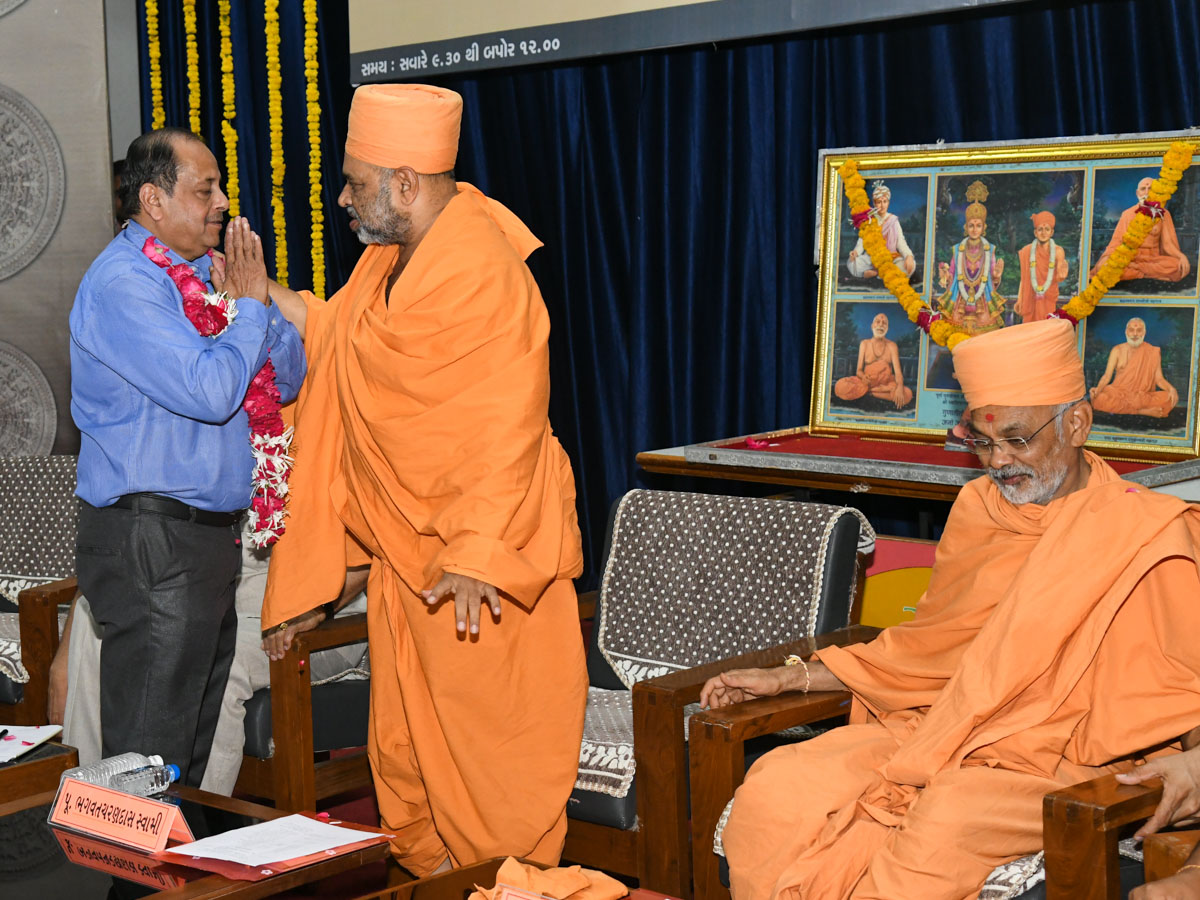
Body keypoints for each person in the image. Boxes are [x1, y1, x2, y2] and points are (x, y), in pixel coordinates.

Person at [700, 318, 1200, 900]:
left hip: (1060, 762)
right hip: (941, 727)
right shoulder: (979, 507)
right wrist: (789, 677)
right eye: (982, 442)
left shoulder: (1151, 535)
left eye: (1017, 438)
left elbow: (1185, 689)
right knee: (779, 787)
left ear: (1077, 424)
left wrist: (1195, 767)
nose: (998, 461)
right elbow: (927, 649)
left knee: (946, 818)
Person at [260, 84, 587, 876]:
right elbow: (342, 337)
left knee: (489, 764)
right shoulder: (385, 262)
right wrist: (267, 297)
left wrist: (476, 548)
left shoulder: (485, 271)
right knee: (406, 757)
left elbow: (508, 421)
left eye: (354, 181)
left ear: (406, 182)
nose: (342, 197)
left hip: (481, 571)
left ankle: (513, 887)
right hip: (411, 565)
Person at [68, 127, 306, 787]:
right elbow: (211, 391)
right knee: (144, 756)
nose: (223, 202)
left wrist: (249, 310)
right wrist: (251, 313)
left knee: (186, 753)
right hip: (151, 539)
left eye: (221, 188)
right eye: (206, 190)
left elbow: (285, 376)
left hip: (205, 544)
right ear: (152, 199)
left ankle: (174, 885)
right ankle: (128, 887)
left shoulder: (209, 277)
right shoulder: (124, 284)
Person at [50, 518, 369, 795]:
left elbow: (372, 543)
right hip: (214, 594)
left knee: (215, 659)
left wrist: (320, 606)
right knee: (98, 626)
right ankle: (98, 820)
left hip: (319, 613)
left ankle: (194, 839)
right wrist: (63, 660)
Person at [935, 180, 1005, 334]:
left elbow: (992, 275)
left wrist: (996, 275)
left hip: (982, 301)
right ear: (966, 227)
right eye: (971, 225)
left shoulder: (989, 250)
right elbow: (953, 273)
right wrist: (946, 275)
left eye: (978, 225)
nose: (974, 229)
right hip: (960, 300)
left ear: (983, 227)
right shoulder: (958, 250)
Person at [1092, 177, 1191, 283]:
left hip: (1153, 260)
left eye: (1151, 189)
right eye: (1143, 189)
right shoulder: (1127, 214)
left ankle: (1137, 271)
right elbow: (1117, 242)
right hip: (1129, 259)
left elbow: (1168, 244)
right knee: (1104, 267)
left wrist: (1182, 256)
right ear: (1137, 193)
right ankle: (1146, 273)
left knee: (1177, 266)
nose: (1147, 192)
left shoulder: (1164, 213)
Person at [1091, 316, 1178, 418]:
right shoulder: (1117, 350)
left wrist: (1172, 389)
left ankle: (1131, 409)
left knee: (1168, 398)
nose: (1135, 334)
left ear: (1144, 333)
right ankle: (1143, 411)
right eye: (1131, 330)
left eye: (1139, 330)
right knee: (1100, 399)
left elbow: (1159, 379)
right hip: (1119, 393)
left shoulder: (1152, 352)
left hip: (1142, 395)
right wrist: (1097, 389)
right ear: (1126, 332)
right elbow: (1106, 376)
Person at [833, 313, 913, 408]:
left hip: (886, 383)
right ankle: (873, 391)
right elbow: (859, 370)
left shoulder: (892, 346)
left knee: (907, 394)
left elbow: (898, 373)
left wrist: (899, 388)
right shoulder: (864, 344)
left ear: (887, 328)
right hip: (867, 382)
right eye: (878, 322)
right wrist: (863, 377)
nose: (881, 325)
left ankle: (871, 393)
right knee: (839, 386)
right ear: (872, 326)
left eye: (884, 323)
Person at [846, 181, 916, 280]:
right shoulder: (869, 219)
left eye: (885, 201)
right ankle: (883, 274)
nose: (882, 205)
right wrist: (856, 252)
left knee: (911, 264)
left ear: (888, 202)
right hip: (872, 257)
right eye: (879, 202)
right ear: (874, 203)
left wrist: (908, 255)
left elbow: (901, 241)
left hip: (891, 257)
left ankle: (877, 273)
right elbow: (862, 241)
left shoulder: (893, 220)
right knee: (852, 263)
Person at [1015, 210, 1069, 323]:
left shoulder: (1058, 251)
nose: (1043, 232)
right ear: (1035, 233)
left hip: (1048, 299)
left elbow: (1059, 276)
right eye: (1040, 229)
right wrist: (1020, 299)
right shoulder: (1027, 251)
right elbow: (1024, 279)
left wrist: (1062, 274)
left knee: (1045, 328)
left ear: (1052, 232)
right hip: (1030, 299)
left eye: (1047, 229)